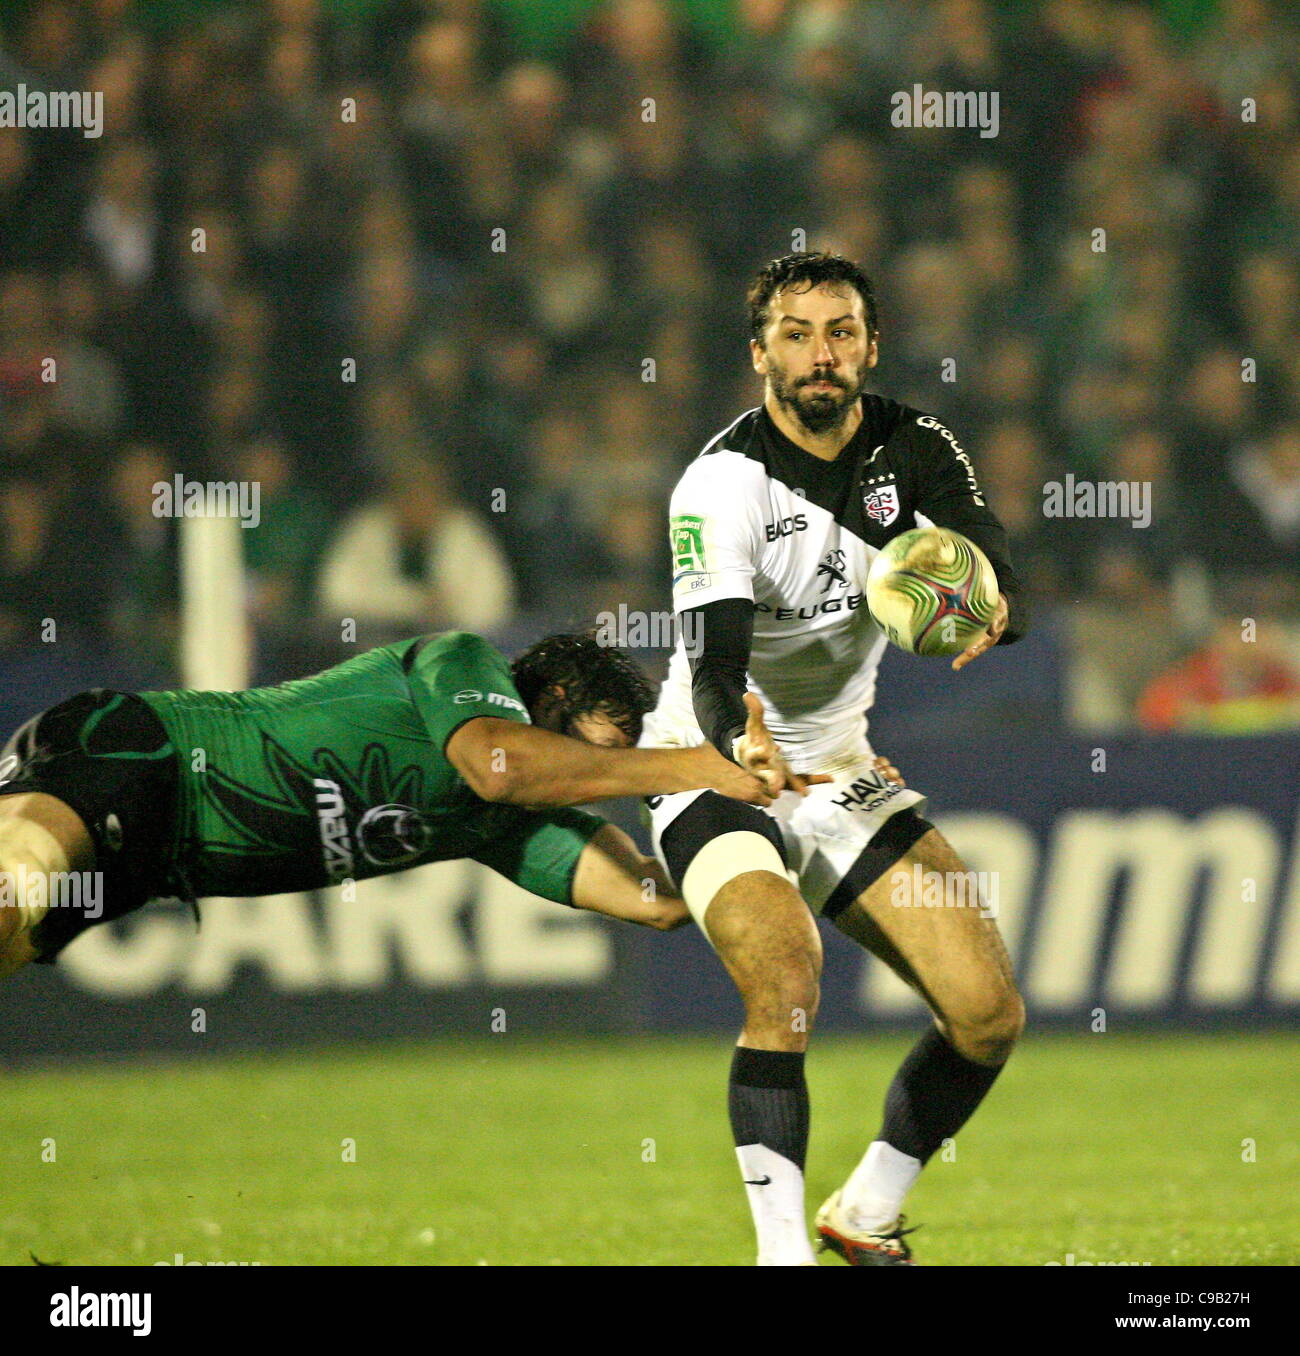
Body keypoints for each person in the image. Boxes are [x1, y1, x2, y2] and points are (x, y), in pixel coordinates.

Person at [640, 251, 1028, 1265]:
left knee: (986, 1015)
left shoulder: (917, 447)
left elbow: (996, 564)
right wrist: (740, 742)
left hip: (839, 769)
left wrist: (987, 609)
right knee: (786, 976)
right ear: (759, 350)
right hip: (713, 763)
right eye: (799, 332)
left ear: (870, 344)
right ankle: (781, 1260)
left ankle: (864, 1213)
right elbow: (714, 670)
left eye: (842, 331)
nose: (823, 353)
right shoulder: (719, 486)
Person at [0, 630, 773, 978]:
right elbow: (500, 764)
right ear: (556, 697)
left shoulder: (495, 822)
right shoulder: (461, 662)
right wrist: (698, 764)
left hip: (150, 864)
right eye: (600, 751)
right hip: (141, 751)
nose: (599, 775)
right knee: (18, 875)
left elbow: (655, 901)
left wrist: (794, 840)